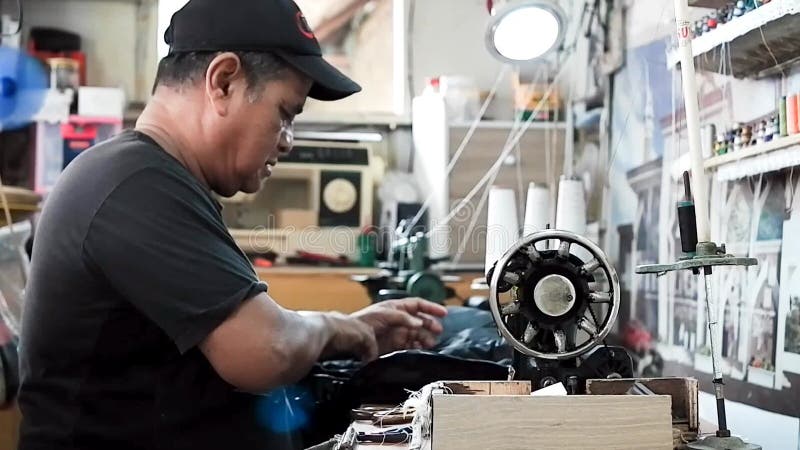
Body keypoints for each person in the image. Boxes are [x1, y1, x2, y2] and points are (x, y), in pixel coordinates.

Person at [17, 1, 447, 449]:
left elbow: (252, 330)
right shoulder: (136, 184)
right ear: (223, 81)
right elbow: (266, 352)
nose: (288, 141)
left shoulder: (151, 178)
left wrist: (346, 330)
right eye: (286, 113)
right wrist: (339, 328)